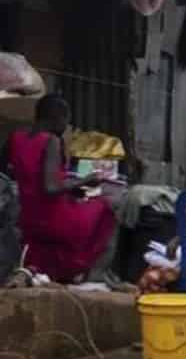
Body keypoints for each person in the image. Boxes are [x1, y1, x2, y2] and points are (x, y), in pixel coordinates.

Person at [3, 95, 116, 283]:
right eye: (66, 121)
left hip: (29, 217)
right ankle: (92, 274)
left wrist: (71, 188)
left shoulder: (16, 138)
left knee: (84, 205)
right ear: (57, 118)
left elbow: (22, 176)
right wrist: (85, 180)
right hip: (53, 218)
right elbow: (51, 187)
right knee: (106, 209)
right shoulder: (50, 141)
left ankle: (58, 271)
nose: (66, 127)